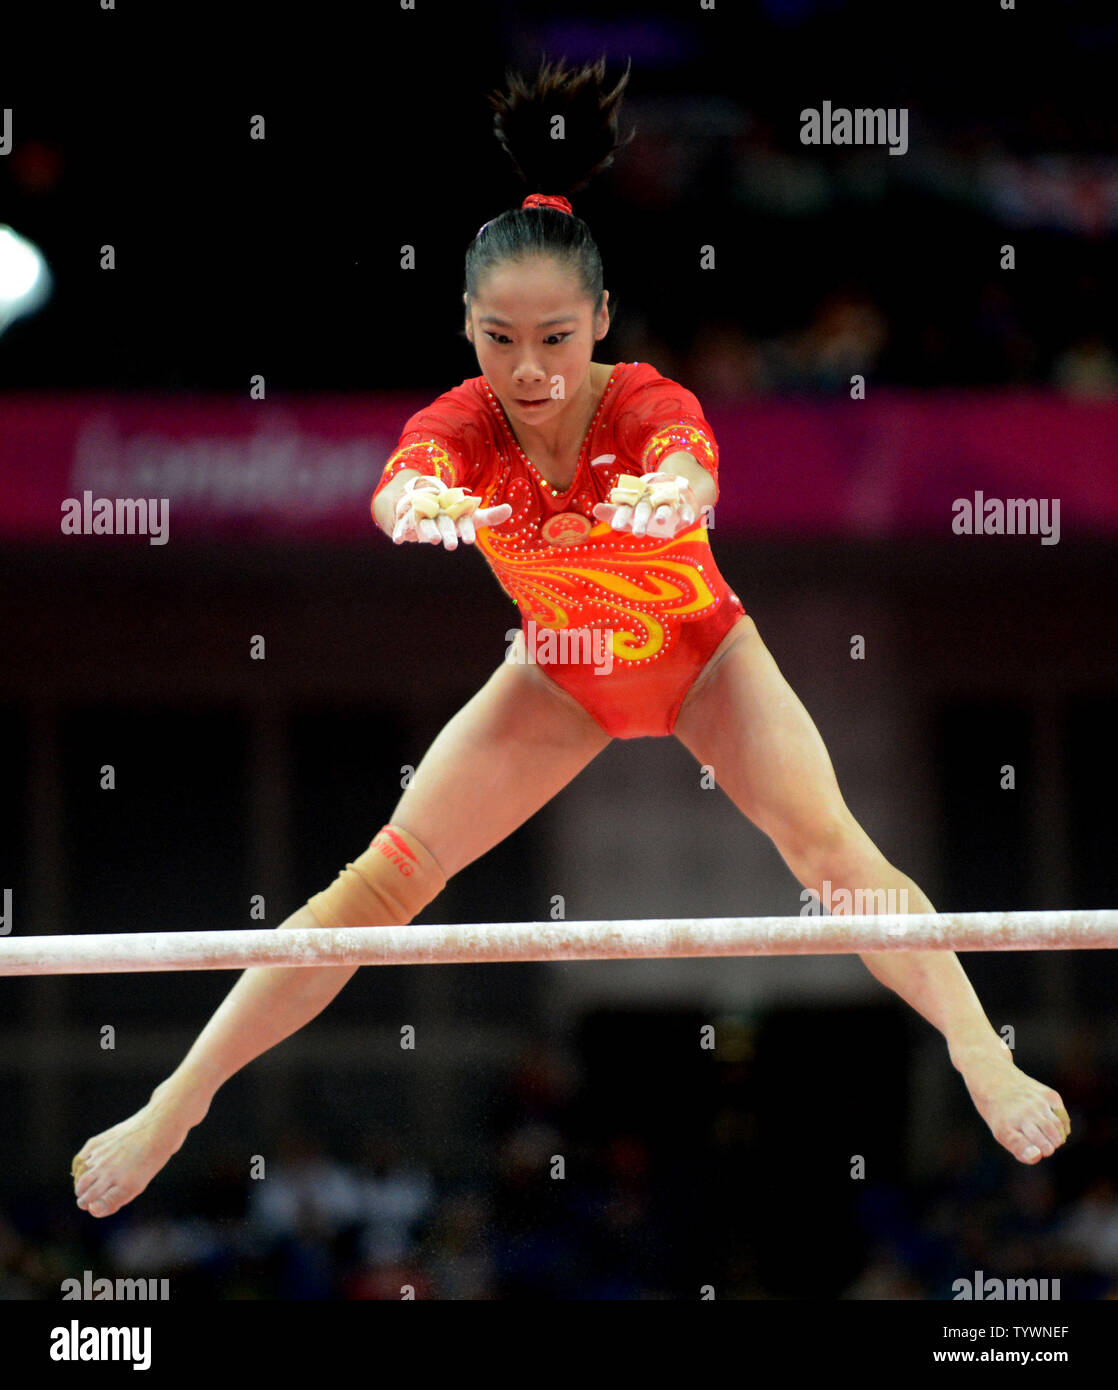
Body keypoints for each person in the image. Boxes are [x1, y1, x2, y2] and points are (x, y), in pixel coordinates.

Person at [71, 55, 1070, 1223]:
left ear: (599, 320)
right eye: (498, 339)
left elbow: (689, 459)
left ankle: (974, 1050)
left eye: (554, 337)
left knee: (833, 857)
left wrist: (674, 495)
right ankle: (176, 1102)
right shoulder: (461, 422)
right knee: (378, 882)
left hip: (704, 659)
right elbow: (399, 487)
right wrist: (417, 508)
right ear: (465, 325)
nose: (529, 371)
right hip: (557, 678)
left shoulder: (644, 401)